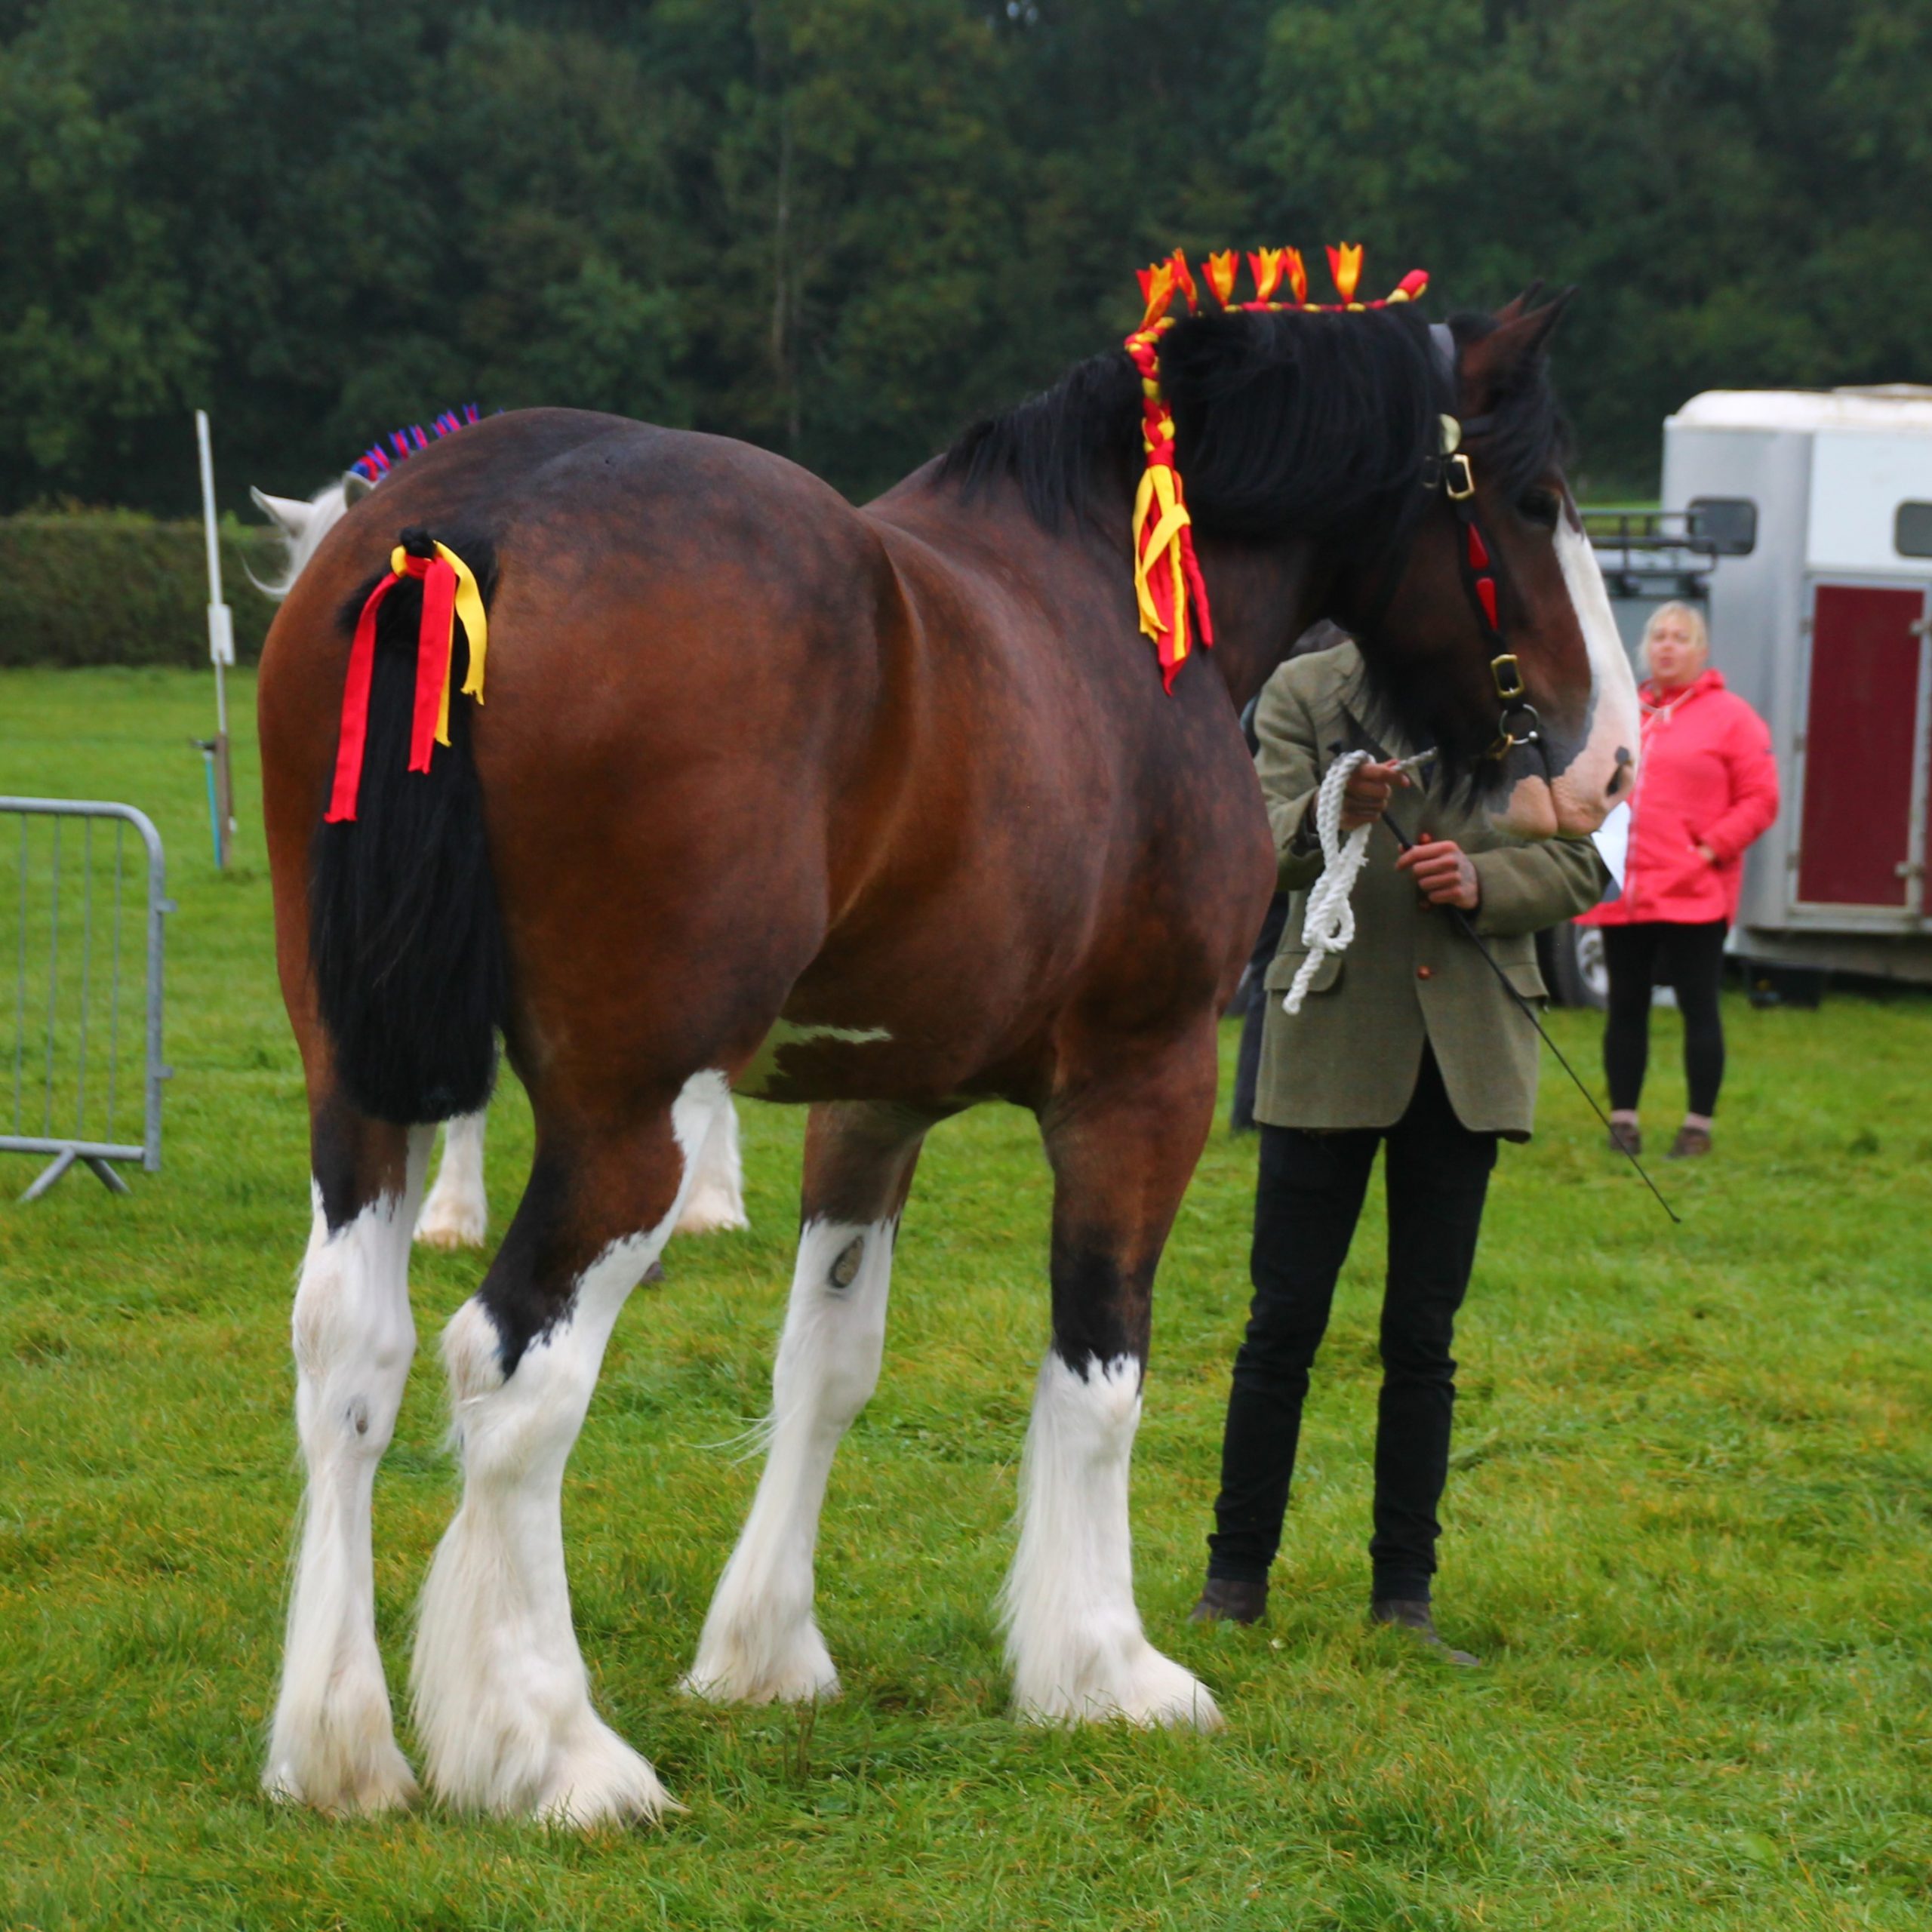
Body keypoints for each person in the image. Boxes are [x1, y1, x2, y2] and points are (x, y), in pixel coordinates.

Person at [1189, 638, 1608, 1659]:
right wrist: (1337, 813)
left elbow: (1584, 860)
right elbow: (1258, 845)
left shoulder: (1514, 697)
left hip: (1465, 1057)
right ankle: (1234, 1584)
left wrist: (1483, 878)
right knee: (1280, 1326)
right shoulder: (1299, 689)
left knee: (1423, 1340)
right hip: (1329, 1037)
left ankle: (1404, 1601)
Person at [1576, 602, 1778, 1159]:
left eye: (1680, 638)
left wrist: (1710, 848)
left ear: (1701, 650)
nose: (1667, 646)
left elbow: (1762, 799)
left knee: (1698, 1007)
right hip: (1626, 891)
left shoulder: (1732, 718)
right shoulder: (1622, 712)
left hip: (1693, 892)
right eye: (1658, 636)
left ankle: (1697, 1126)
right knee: (1625, 1007)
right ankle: (1624, 1121)